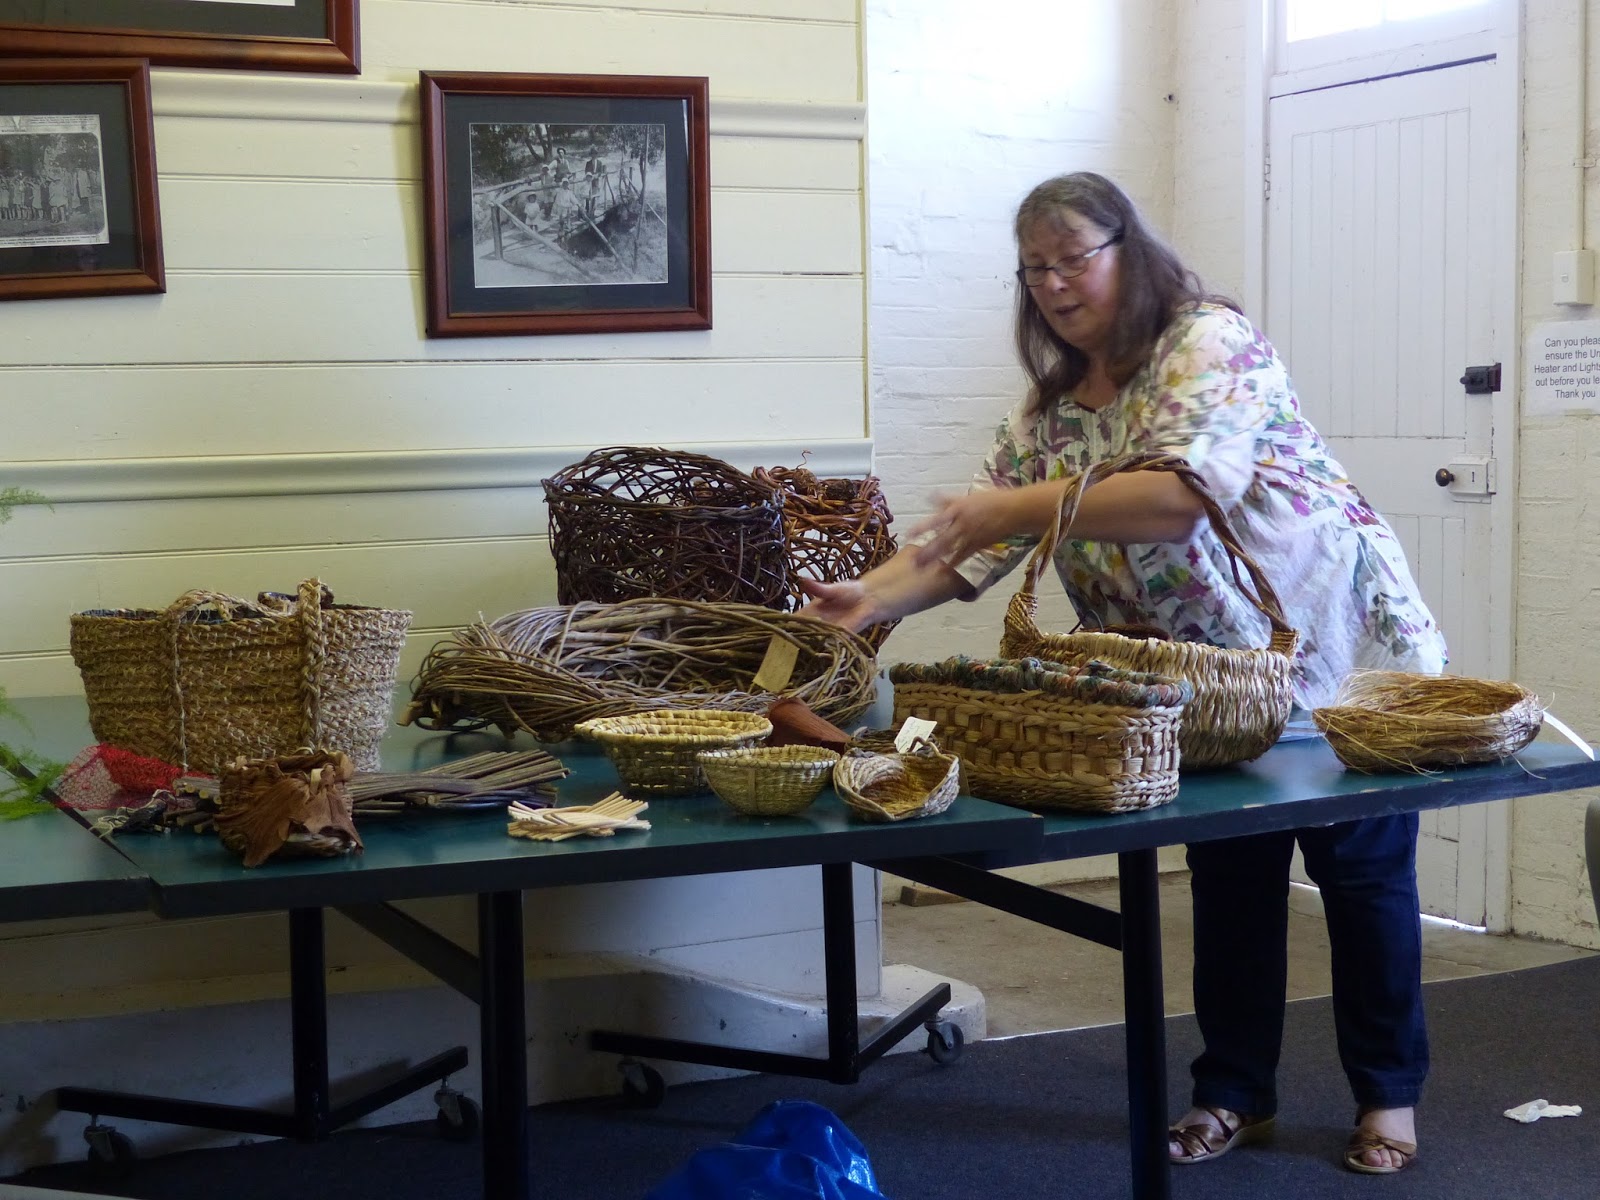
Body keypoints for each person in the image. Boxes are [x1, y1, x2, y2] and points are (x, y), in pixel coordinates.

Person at [801, 171, 1447, 1176]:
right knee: (1230, 882)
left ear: (1128, 252)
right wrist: (870, 599)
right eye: (1034, 269)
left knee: (1360, 880)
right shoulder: (1050, 411)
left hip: (1326, 661)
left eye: (1073, 258)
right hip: (1197, 692)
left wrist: (1013, 509)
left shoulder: (1206, 341)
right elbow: (968, 542)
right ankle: (1234, 1094)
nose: (1054, 284)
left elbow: (1176, 499)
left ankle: (1387, 1099)